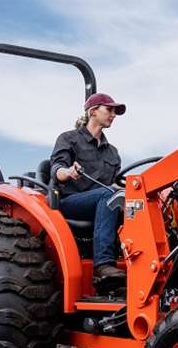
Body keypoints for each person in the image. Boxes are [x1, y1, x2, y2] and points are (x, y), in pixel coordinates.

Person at [51, 92, 126, 290]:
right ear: (93, 111)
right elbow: (57, 170)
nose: (113, 115)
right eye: (109, 110)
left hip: (103, 201)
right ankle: (103, 264)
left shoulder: (113, 152)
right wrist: (68, 172)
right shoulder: (69, 139)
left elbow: (116, 182)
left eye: (115, 112)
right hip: (70, 202)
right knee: (109, 195)